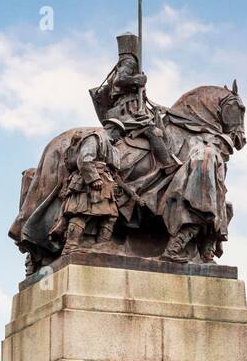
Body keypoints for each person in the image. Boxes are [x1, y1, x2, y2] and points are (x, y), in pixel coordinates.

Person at [90, 34, 180, 172]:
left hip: (129, 107)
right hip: (126, 110)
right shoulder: (129, 60)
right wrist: (138, 80)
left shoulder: (120, 63)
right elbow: (120, 80)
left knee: (158, 126)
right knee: (152, 131)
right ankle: (168, 164)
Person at [57, 126, 120, 255]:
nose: (121, 136)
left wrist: (112, 183)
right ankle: (70, 245)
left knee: (111, 216)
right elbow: (84, 159)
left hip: (106, 182)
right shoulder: (95, 138)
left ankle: (101, 246)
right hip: (88, 182)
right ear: (113, 129)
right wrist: (93, 179)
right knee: (82, 213)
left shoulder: (112, 146)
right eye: (120, 132)